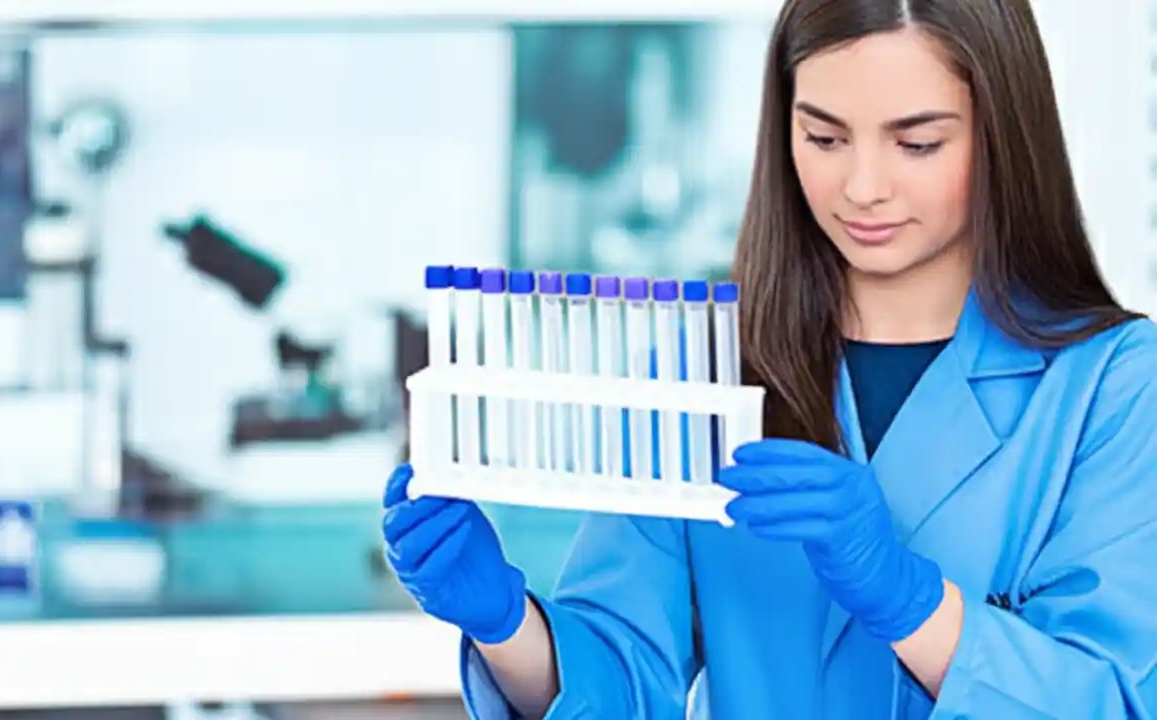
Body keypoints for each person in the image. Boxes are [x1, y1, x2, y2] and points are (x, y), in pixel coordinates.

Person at [380, 0, 1157, 717]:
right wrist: (506, 624)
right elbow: (623, 683)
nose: (862, 186)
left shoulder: (1111, 385)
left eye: (917, 143)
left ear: (1002, 136)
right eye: (824, 137)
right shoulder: (697, 377)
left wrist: (913, 603)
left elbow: (1114, 699)